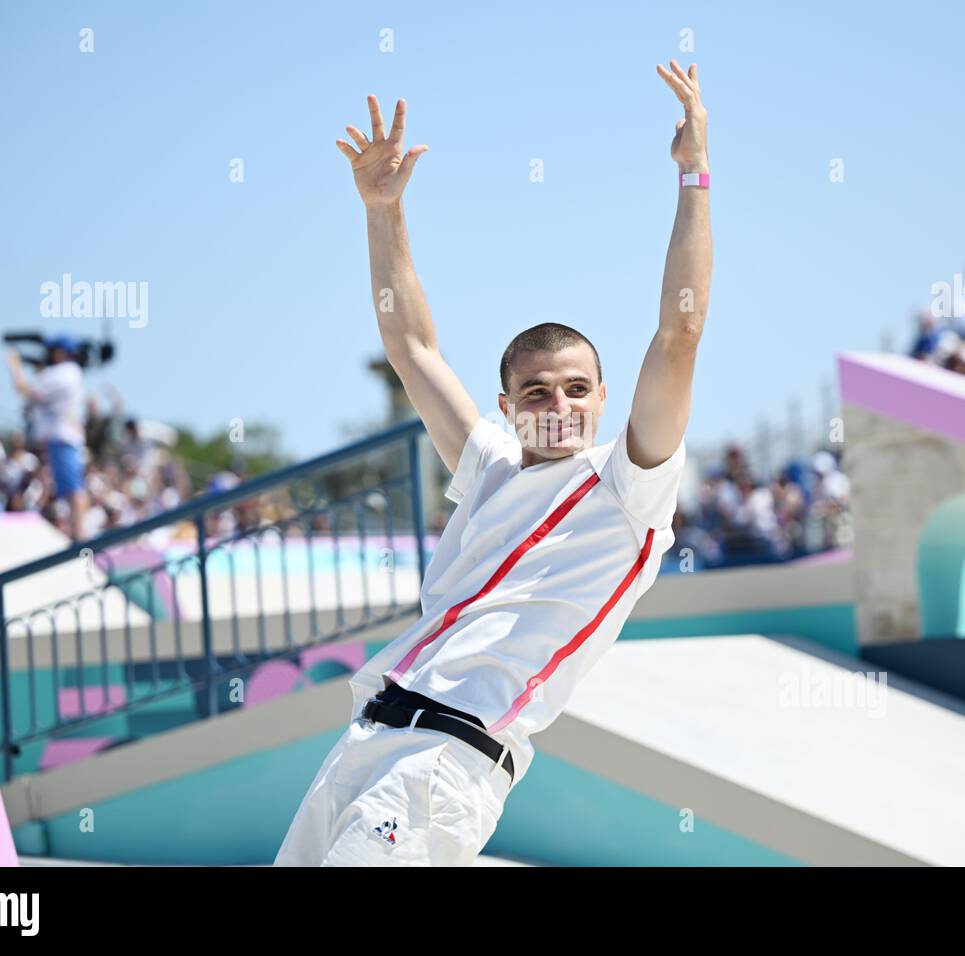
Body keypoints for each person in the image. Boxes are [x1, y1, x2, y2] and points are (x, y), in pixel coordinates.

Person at [275, 61, 712, 866]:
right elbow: (411, 348)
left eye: (577, 389)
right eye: (537, 392)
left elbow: (678, 335)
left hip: (446, 760)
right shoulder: (490, 468)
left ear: (604, 398)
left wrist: (694, 172)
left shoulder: (628, 488)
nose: (559, 405)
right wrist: (383, 210)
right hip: (364, 741)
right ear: (509, 406)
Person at [6, 334, 88, 540]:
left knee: (74, 490)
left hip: (63, 439)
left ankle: (79, 535)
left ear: (60, 353)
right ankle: (76, 532)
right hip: (61, 439)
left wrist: (14, 366)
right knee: (68, 490)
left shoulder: (64, 373)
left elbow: (24, 389)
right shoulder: (69, 373)